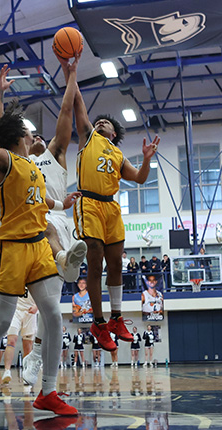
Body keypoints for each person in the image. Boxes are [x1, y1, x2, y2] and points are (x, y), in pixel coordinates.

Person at [0, 85, 78, 417]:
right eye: (28, 130)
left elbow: (40, 201)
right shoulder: (3, 158)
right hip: (9, 248)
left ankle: (48, 392)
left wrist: (61, 202)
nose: (32, 134)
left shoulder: (33, 166)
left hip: (38, 245)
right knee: (0, 323)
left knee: (53, 316)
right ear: (19, 135)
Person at [0, 63, 88, 389]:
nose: (33, 136)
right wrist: (0, 94)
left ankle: (35, 355)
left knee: (53, 308)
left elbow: (65, 112)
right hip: (33, 224)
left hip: (60, 222)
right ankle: (63, 257)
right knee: (47, 304)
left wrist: (71, 75)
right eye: (28, 134)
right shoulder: (15, 160)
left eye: (37, 135)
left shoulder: (53, 155)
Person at [68, 51, 159, 353]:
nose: (101, 122)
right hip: (90, 203)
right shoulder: (87, 138)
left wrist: (146, 160)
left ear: (115, 133)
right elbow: (79, 104)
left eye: (106, 122)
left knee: (116, 263)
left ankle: (117, 318)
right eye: (99, 121)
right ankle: (97, 321)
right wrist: (72, 72)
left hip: (111, 207)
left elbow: (141, 179)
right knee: (94, 259)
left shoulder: (118, 155)